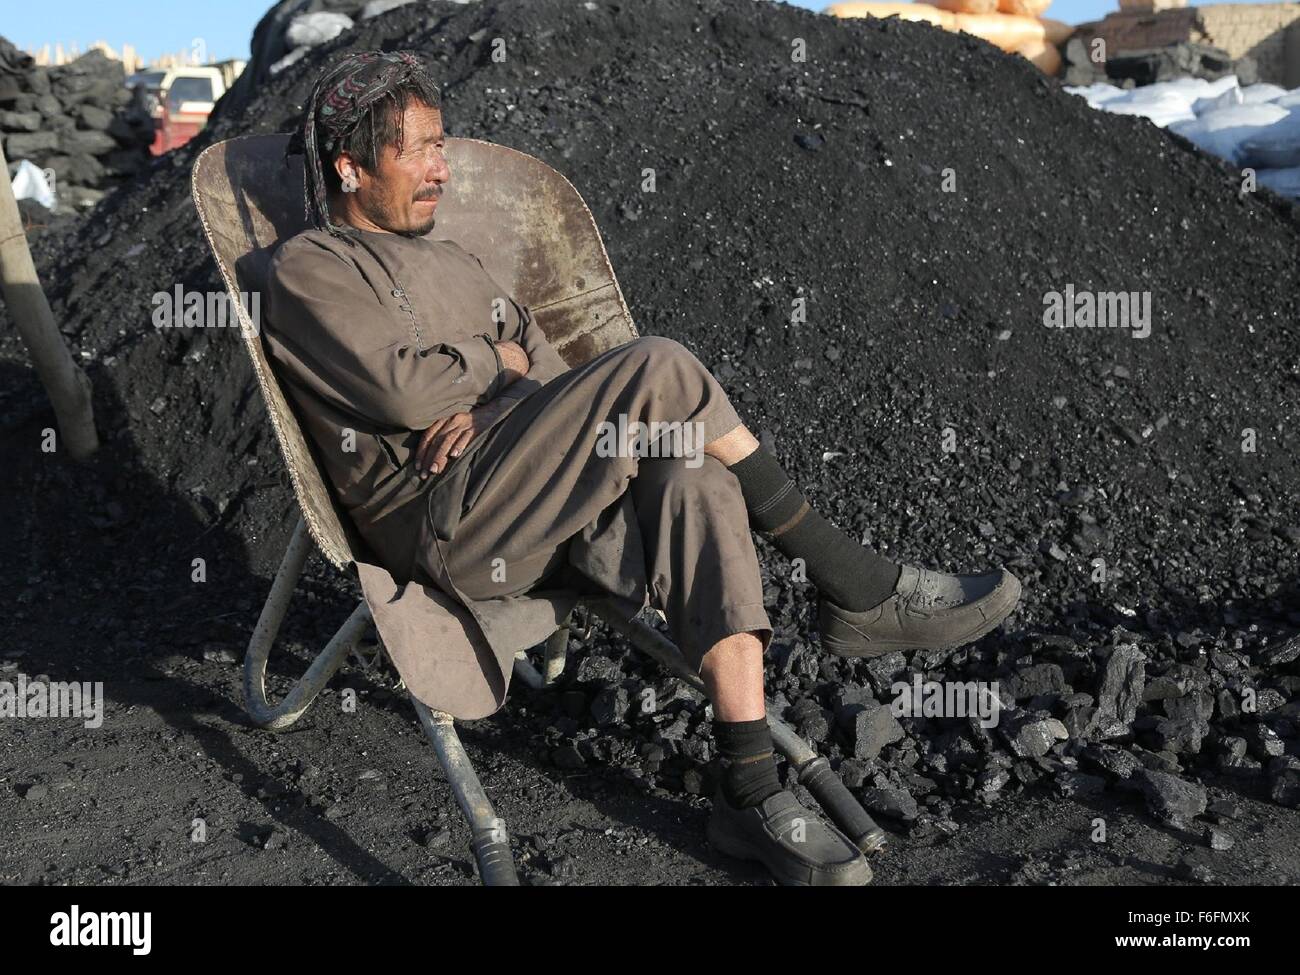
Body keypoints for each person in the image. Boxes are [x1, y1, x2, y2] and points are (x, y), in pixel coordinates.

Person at [263, 50, 1021, 886]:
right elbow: (403, 389)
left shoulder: (458, 261)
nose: (444, 168)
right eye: (421, 149)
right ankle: (854, 579)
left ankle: (751, 790)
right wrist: (500, 360)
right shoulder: (311, 269)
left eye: (444, 145)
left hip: (534, 499)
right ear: (349, 166)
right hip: (449, 519)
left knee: (692, 474)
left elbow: (543, 369)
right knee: (658, 364)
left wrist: (486, 390)